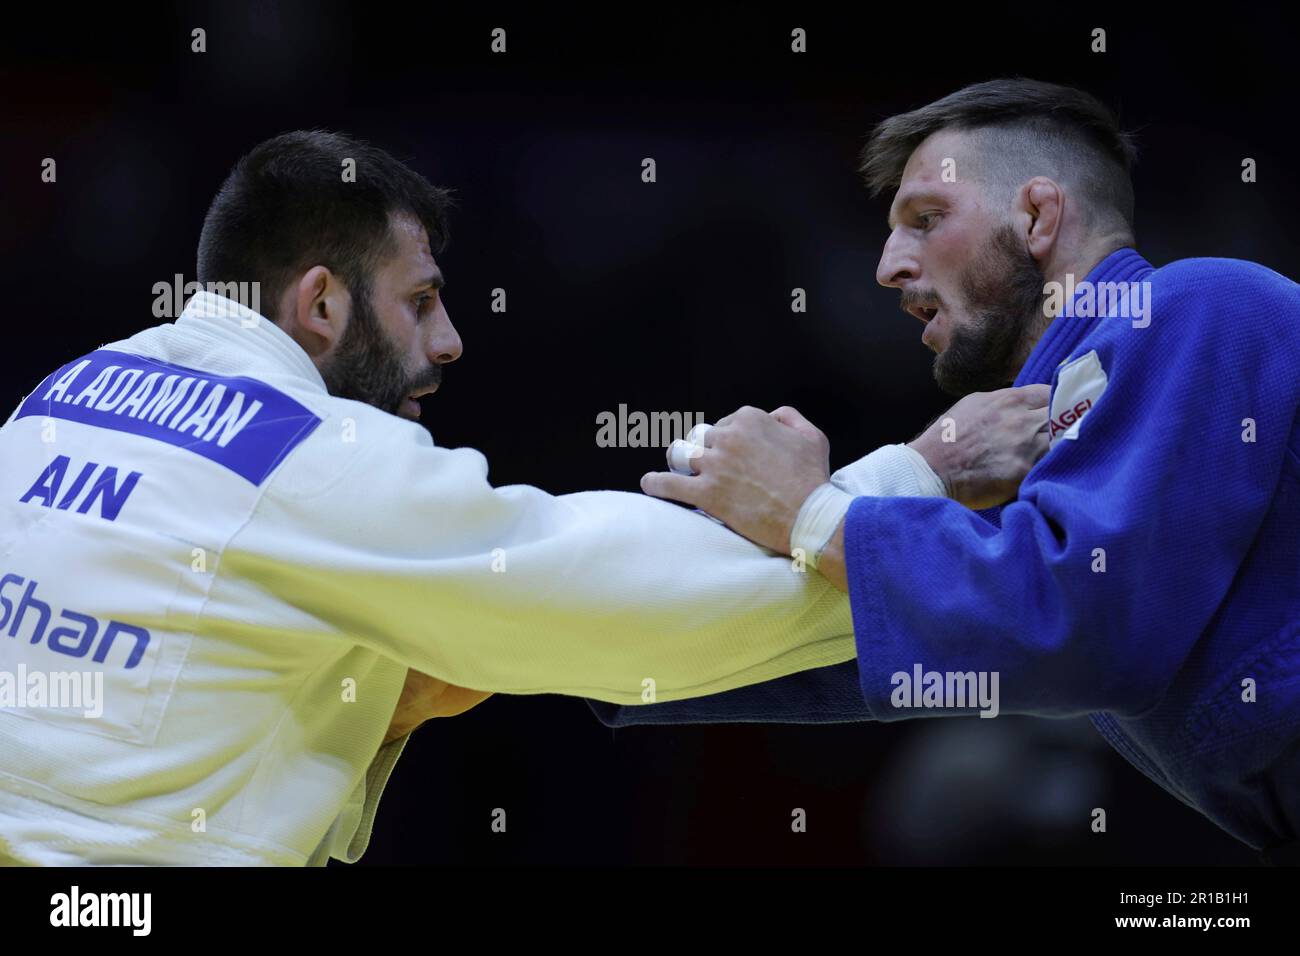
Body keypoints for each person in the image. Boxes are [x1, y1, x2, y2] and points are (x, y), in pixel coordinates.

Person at [0, 130, 1043, 865]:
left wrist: (367, 713)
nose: (449, 341)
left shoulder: (57, 403)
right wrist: (910, 480)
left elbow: (158, 690)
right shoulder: (311, 454)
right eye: (418, 302)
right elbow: (666, 612)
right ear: (320, 302)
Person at [601, 78, 1300, 862]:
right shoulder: (1056, 450)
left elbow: (1078, 624)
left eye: (926, 219)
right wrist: (563, 644)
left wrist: (813, 511)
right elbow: (846, 634)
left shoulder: (1197, 303)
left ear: (1037, 216)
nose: (887, 267)